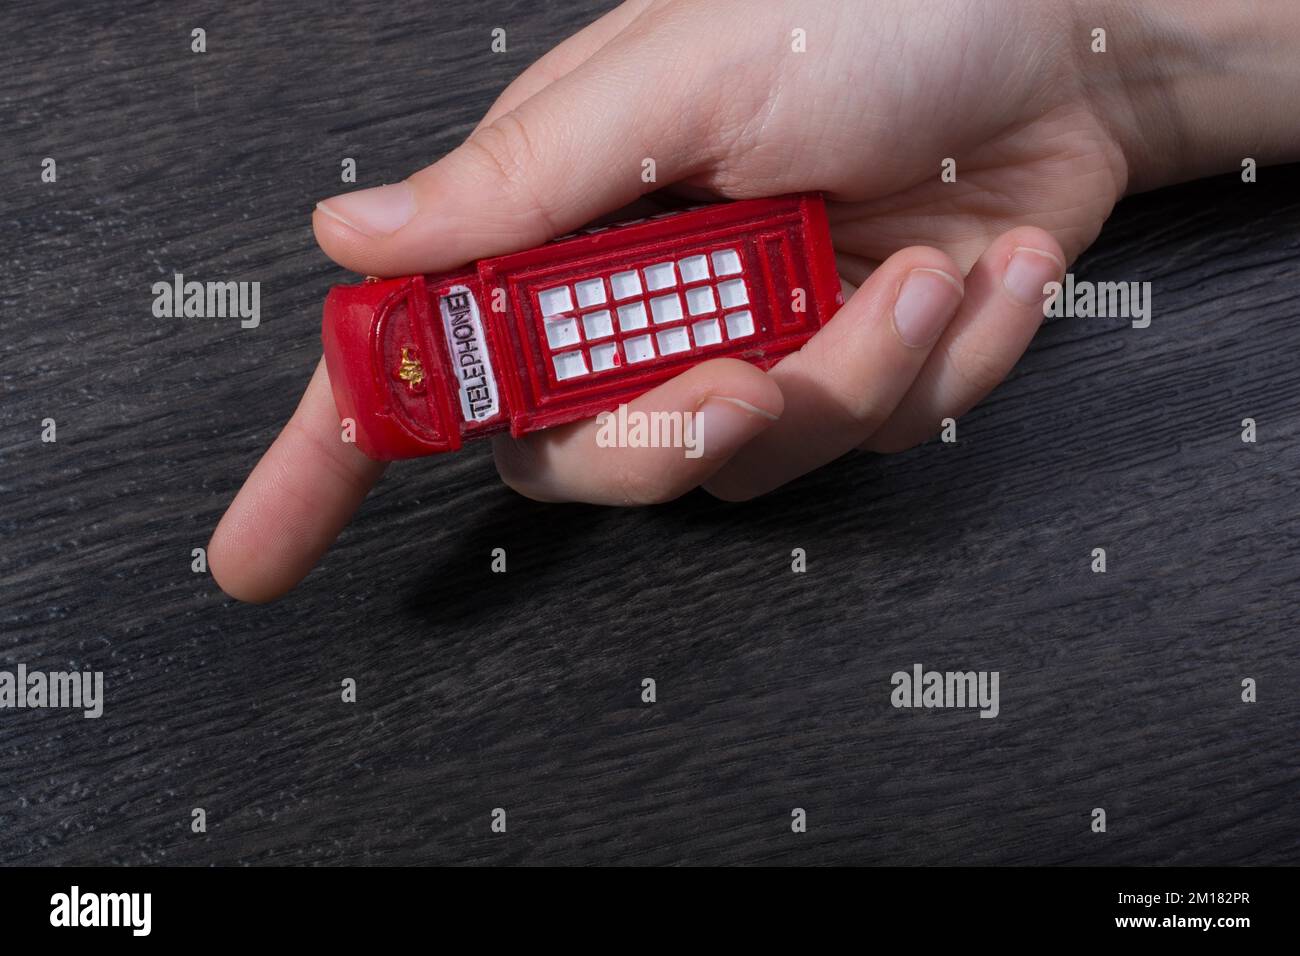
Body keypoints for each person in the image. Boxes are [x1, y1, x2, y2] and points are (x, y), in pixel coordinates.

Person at [209, 0, 1300, 602]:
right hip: (612, 344)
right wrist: (1097, 54)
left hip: (710, 272)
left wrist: (1085, 49)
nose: (458, 343)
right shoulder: (486, 359)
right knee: (689, 383)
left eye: (453, 333)